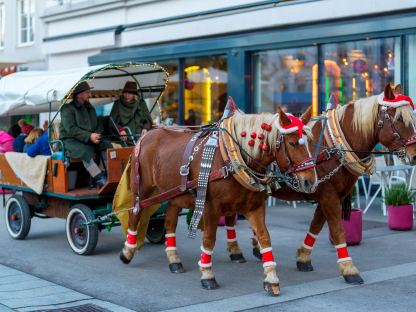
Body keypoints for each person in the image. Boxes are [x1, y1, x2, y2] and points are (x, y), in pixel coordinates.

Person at [59, 81, 110, 187]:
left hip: (89, 137)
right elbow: (71, 129)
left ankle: (104, 172)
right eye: (87, 92)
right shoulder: (67, 109)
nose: (89, 95)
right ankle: (99, 178)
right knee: (85, 151)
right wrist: (89, 136)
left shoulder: (89, 107)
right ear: (79, 94)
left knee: (107, 145)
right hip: (70, 140)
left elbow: (97, 123)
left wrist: (96, 135)